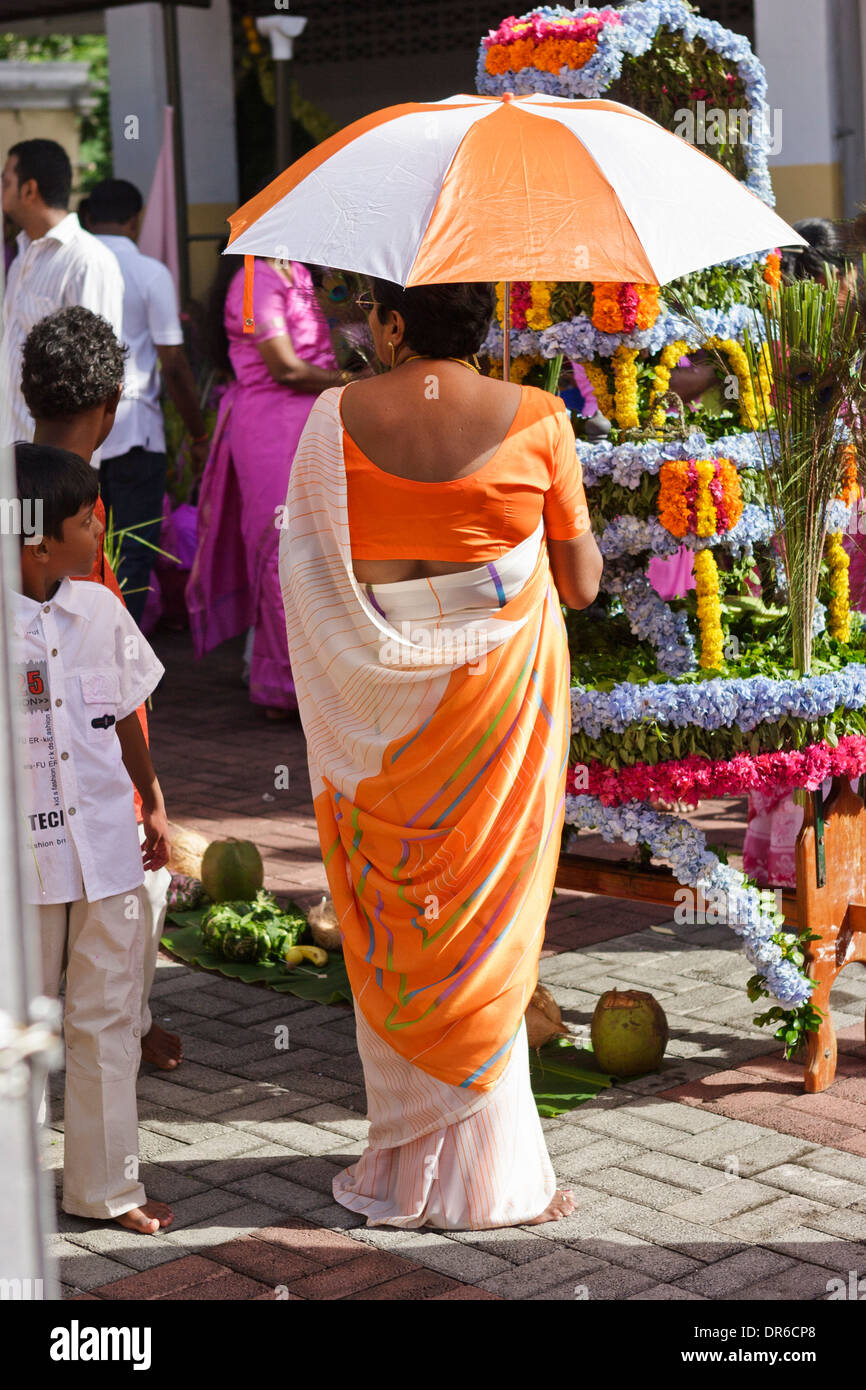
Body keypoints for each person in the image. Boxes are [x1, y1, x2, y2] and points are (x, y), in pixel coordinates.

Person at [279, 278, 603, 1229]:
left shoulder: (333, 417)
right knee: (487, 913)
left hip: (374, 714)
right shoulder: (540, 417)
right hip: (494, 715)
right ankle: (498, 1174)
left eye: (371, 319)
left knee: (402, 919)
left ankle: (407, 1163)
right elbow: (578, 586)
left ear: (392, 323)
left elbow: (303, 569)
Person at [13, 443, 173, 1234]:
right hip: (23, 868)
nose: (99, 526)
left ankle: (108, 1189)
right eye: (85, 518)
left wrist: (151, 802)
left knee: (107, 1021)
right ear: (36, 540)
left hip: (108, 849)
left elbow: (123, 717)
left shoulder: (102, 610)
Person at [20, 305, 181, 1072]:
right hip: (93, 737)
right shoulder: (77, 501)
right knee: (119, 906)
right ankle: (128, 1021)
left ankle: (116, 1021)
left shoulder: (21, 485)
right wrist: (142, 779)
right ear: (111, 410)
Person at [187, 254, 365, 718]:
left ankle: (313, 678)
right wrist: (356, 382)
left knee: (320, 548)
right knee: (282, 551)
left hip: (312, 421)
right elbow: (285, 368)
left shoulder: (300, 273)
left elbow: (325, 341)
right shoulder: (252, 280)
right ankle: (284, 688)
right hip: (270, 427)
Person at [85, 178, 209, 623]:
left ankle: (90, 656)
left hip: (78, 434)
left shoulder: (69, 267)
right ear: (135, 221)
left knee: (81, 553)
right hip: (136, 430)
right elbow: (173, 363)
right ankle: (125, 659)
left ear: (88, 217)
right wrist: (198, 433)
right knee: (133, 552)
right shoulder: (150, 273)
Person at [0, 139, 123, 453]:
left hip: (52, 467)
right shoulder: (22, 256)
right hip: (14, 453)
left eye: (6, 180)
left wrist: (74, 477)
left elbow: (97, 378)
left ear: (29, 190)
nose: (1, 188)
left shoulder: (86, 261)